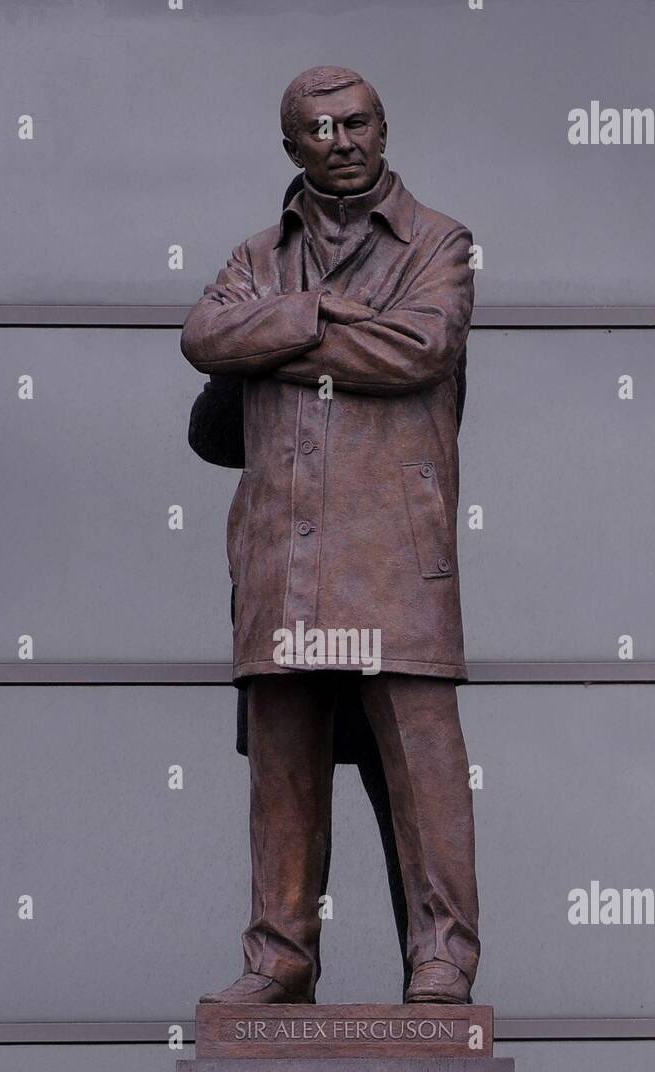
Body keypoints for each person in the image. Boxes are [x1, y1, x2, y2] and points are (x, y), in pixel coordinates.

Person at [181, 66, 479, 1005]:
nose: (340, 140)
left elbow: (418, 348)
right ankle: (279, 956)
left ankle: (442, 956)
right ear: (291, 147)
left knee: (422, 772)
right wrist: (315, 310)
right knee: (284, 771)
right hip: (283, 558)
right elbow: (202, 337)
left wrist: (269, 341)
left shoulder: (439, 242)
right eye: (318, 129)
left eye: (355, 123)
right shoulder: (254, 256)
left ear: (384, 129)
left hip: (393, 552)